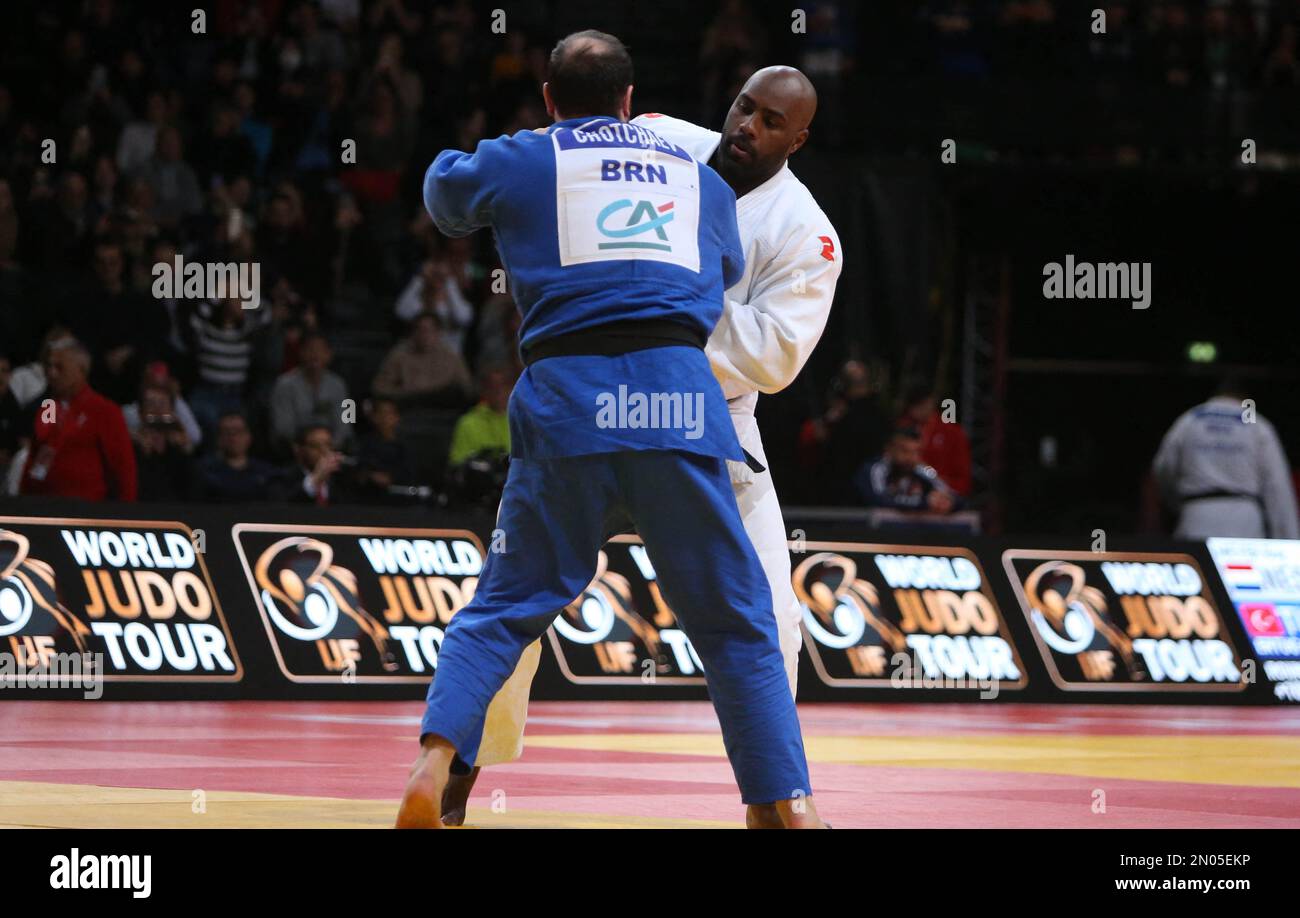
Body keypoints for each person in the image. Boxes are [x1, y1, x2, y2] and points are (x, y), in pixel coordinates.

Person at [397, 31, 821, 829]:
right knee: (738, 622)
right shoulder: (698, 180)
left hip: (571, 402)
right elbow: (720, 269)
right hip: (680, 408)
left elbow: (444, 197)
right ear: (632, 103)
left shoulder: (529, 153)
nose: (746, 128)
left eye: (770, 121)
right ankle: (781, 807)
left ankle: (435, 768)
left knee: (504, 609)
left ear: (550, 101)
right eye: (743, 109)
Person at [1152, 376, 1299, 539]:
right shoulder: (1257, 424)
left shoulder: (1190, 420)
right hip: (1245, 521)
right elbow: (1277, 487)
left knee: (1198, 563)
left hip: (1197, 515)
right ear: (1244, 398)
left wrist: (1177, 502)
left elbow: (1163, 469)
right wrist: (1291, 542)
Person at [19, 338, 137, 501]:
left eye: (60, 367)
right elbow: (36, 454)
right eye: (49, 366)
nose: (51, 373)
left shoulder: (104, 411)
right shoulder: (48, 407)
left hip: (87, 513)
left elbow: (123, 469)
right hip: (42, 508)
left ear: (81, 369)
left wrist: (126, 516)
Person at [268, 331, 352, 454]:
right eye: (310, 349)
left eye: (320, 350)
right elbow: (283, 428)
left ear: (329, 354)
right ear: (301, 353)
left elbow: (346, 424)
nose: (315, 354)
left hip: (332, 450)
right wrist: (312, 447)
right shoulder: (284, 384)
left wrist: (330, 447)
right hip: (295, 450)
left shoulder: (339, 385)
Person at [370, 312, 472, 407]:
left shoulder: (452, 357)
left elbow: (467, 388)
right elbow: (379, 388)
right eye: (420, 330)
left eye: (430, 330)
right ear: (413, 333)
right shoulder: (399, 356)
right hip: (408, 409)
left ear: (439, 333)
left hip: (443, 411)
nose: (425, 335)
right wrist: (404, 393)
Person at [855, 426, 959, 513]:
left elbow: (954, 496)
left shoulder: (921, 470)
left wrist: (947, 502)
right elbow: (878, 500)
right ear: (889, 449)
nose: (911, 458)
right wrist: (924, 503)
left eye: (916, 452)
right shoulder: (875, 469)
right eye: (905, 451)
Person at [900, 383, 972, 496]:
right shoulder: (901, 429)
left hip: (942, 497)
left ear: (931, 401)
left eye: (922, 404)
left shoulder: (952, 432)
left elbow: (962, 480)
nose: (917, 411)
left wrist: (925, 471)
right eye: (914, 406)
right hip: (904, 496)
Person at [193, 411, 278, 502]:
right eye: (227, 432)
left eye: (238, 431)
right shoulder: (206, 472)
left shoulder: (266, 473)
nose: (233, 438)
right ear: (219, 439)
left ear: (249, 437)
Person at [270, 422, 351, 506]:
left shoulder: (340, 480)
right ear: (298, 449)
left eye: (328, 445)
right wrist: (314, 480)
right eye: (316, 446)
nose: (325, 451)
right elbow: (280, 509)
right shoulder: (282, 478)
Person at [447, 364, 512, 467]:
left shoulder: (521, 421)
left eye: (503, 385)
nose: (499, 391)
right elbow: (458, 465)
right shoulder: (467, 424)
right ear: (484, 391)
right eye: (493, 386)